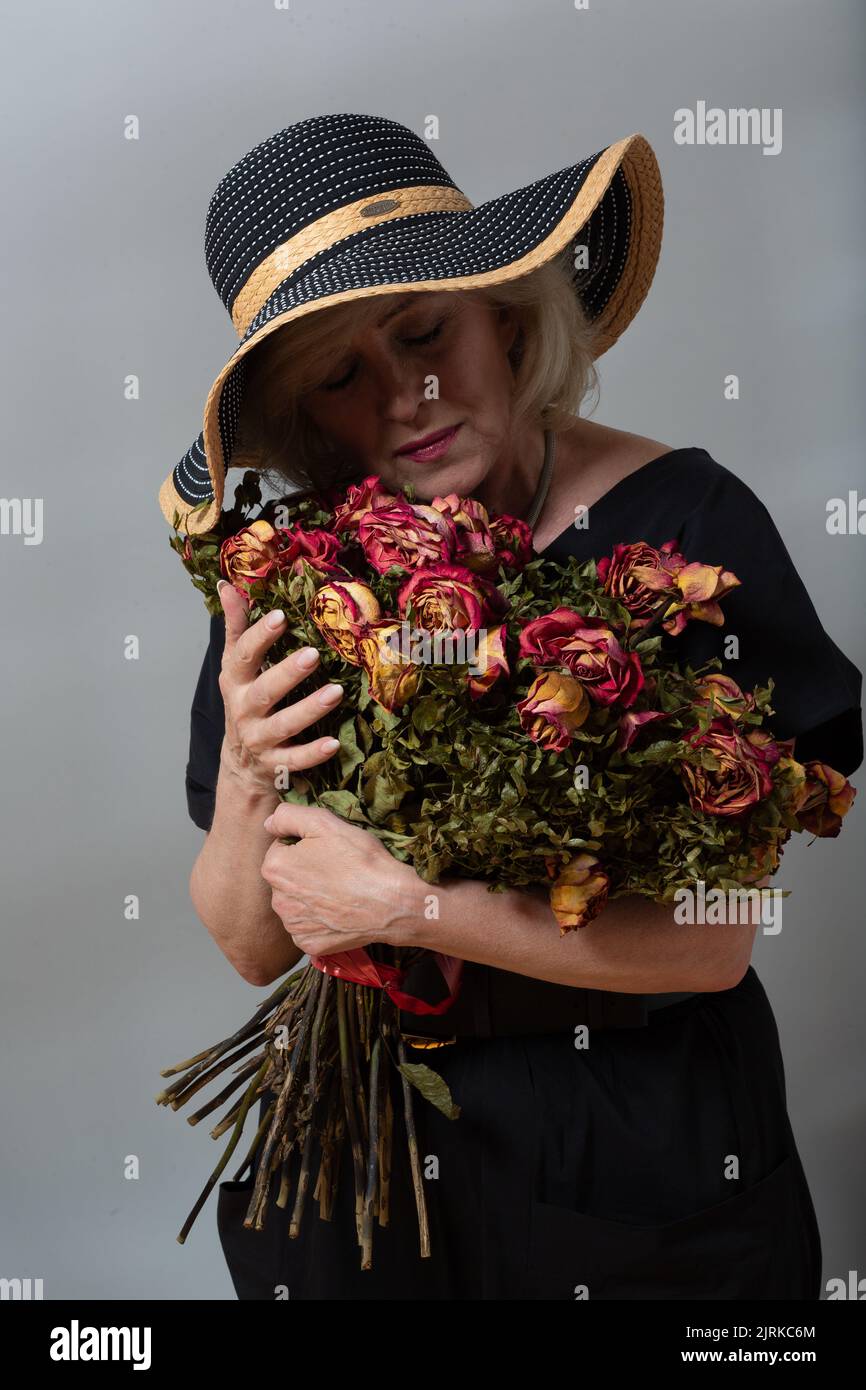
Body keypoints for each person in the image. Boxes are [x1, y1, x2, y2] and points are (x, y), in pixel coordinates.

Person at [160, 114, 863, 1299]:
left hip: (640, 1151)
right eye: (340, 375)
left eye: (424, 331)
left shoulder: (689, 526)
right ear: (302, 418)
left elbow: (713, 937)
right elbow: (248, 944)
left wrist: (410, 905)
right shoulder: (299, 573)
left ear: (505, 308)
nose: (407, 396)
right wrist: (246, 763)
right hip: (378, 1161)